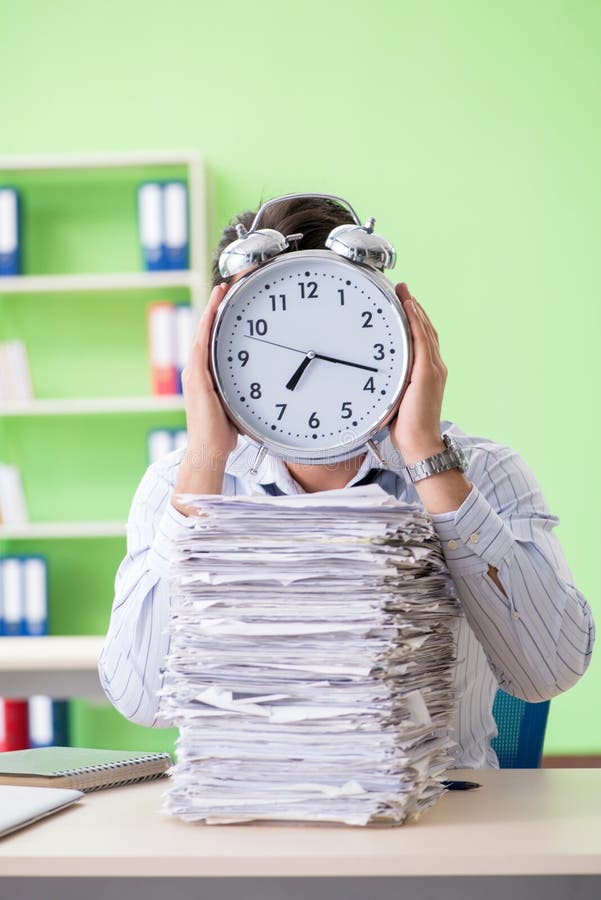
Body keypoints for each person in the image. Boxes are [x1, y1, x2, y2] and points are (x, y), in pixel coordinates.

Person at [98, 196, 595, 767]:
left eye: (343, 329)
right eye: (266, 331)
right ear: (219, 349)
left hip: (442, 828)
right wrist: (207, 460)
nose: (311, 354)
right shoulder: (179, 486)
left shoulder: (482, 473)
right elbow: (141, 700)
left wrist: (428, 457)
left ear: (399, 335)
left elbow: (548, 673)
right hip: (250, 826)